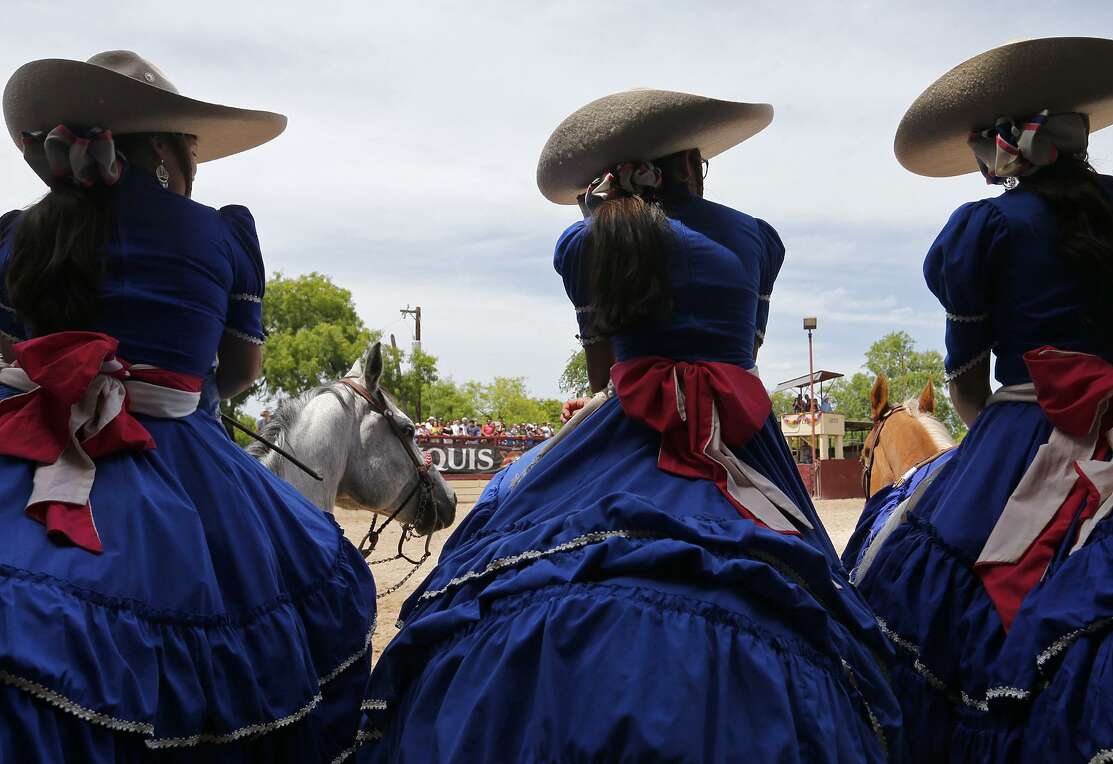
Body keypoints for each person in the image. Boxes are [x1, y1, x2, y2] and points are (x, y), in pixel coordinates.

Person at [358, 88, 900, 762]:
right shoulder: (755, 239)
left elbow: (601, 377)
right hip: (732, 432)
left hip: (625, 420)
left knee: (495, 522)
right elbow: (746, 354)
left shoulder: (584, 243)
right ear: (694, 162)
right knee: (821, 579)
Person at [0, 51, 375, 761]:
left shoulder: (17, 232)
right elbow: (237, 372)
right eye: (190, 144)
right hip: (175, 453)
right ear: (167, 148)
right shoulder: (215, 233)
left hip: (26, 434)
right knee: (310, 593)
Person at [846, 37, 1113, 762]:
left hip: (1024, 423)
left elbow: (968, 383)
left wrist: (986, 457)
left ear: (998, 150)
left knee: (901, 579)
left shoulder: (990, 228)